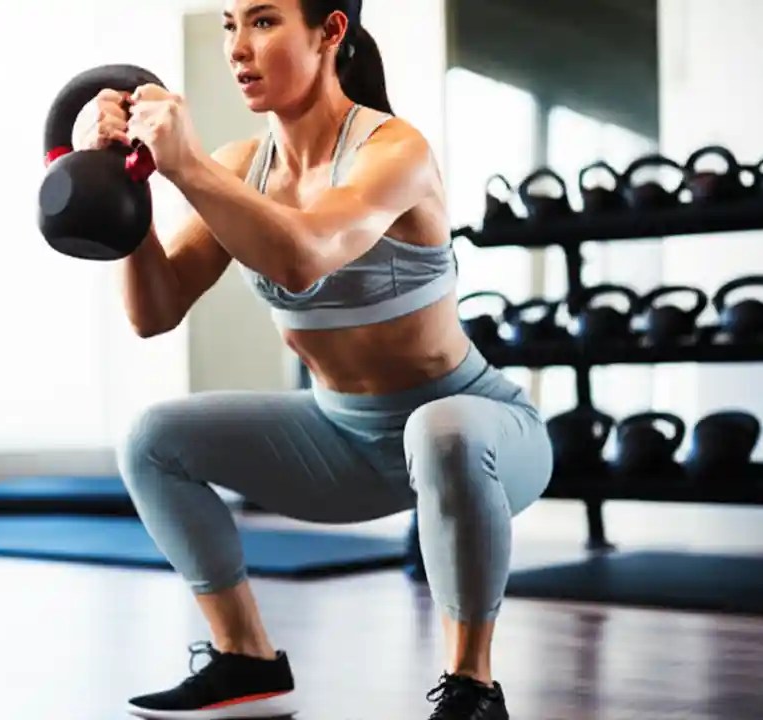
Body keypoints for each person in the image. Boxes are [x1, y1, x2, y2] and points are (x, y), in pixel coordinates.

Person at [81, 1, 553, 718]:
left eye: (264, 22)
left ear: (331, 31)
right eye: (230, 25)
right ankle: (244, 658)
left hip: (480, 431)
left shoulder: (395, 152)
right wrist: (124, 185)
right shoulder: (243, 166)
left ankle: (471, 691)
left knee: (440, 429)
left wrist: (187, 167)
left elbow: (303, 256)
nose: (238, 48)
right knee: (153, 439)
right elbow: (155, 310)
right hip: (343, 441)